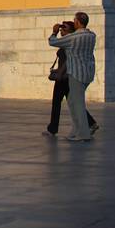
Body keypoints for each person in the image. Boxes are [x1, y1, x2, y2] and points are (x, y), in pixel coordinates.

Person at [47, 12, 97, 142]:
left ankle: (84, 134)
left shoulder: (73, 38)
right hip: (88, 72)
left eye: (75, 20)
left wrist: (54, 31)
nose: (74, 21)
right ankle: (75, 130)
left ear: (78, 22)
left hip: (76, 73)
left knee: (78, 104)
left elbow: (52, 42)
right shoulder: (91, 36)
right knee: (72, 101)